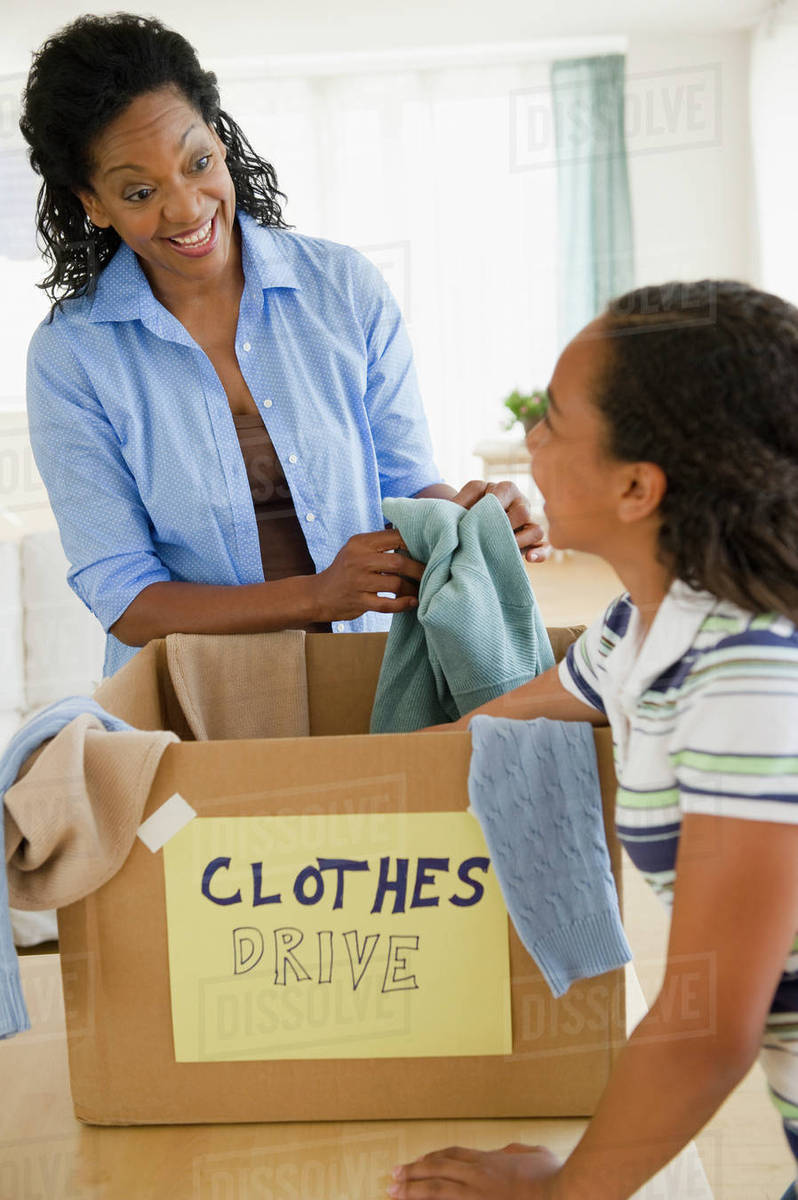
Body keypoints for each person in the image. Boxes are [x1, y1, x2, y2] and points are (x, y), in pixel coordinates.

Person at [389, 281, 798, 1200]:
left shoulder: (750, 680)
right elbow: (543, 698)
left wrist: (560, 1194)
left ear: (636, 486)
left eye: (553, 419)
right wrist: (372, 771)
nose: (529, 439)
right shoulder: (651, 617)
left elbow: (707, 1031)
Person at [19, 13, 545, 679]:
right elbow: (125, 597)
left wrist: (476, 521)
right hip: (197, 694)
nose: (187, 208)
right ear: (94, 203)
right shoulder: (74, 355)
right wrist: (318, 594)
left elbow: (407, 484)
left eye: (198, 163)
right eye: (141, 191)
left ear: (219, 139)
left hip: (372, 672)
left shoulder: (342, 287)